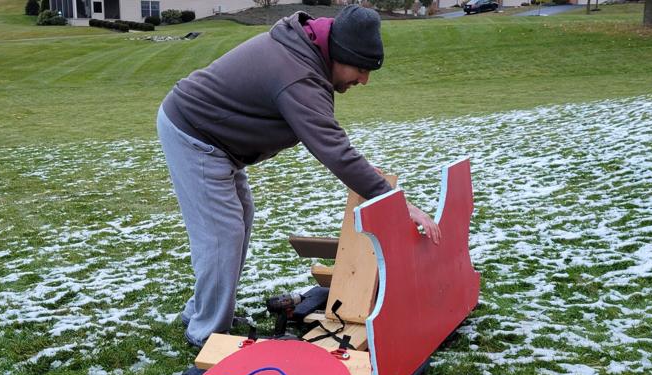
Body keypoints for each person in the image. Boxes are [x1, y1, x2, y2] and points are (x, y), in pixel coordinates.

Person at [157, 5, 441, 347]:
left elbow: (336, 146)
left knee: (239, 220)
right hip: (195, 135)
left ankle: (201, 311)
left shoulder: (306, 57)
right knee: (223, 233)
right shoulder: (298, 75)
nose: (364, 80)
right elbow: (334, 150)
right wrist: (397, 203)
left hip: (218, 141)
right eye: (362, 69)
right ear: (339, 54)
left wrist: (371, 181)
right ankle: (206, 335)